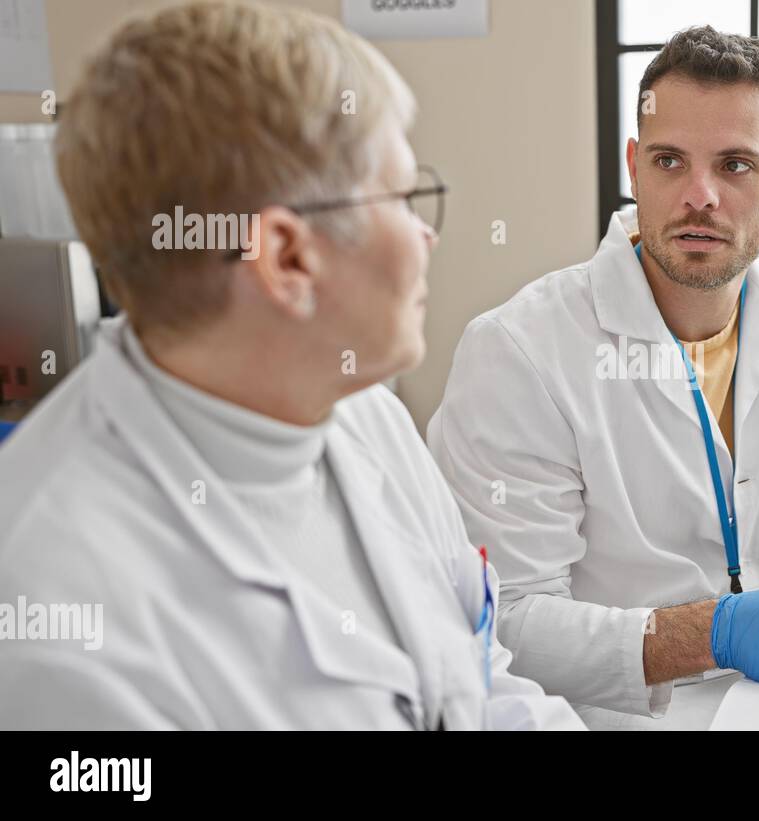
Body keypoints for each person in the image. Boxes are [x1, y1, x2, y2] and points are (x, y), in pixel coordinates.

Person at [0, 0, 581, 730]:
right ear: (286, 257)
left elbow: (481, 680)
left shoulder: (362, 410)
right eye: (403, 196)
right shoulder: (60, 620)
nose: (426, 237)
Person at [428, 26, 759, 730]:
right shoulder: (518, 352)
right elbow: (503, 624)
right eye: (669, 160)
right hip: (599, 718)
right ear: (634, 167)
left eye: (737, 165)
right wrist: (711, 633)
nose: (699, 195)